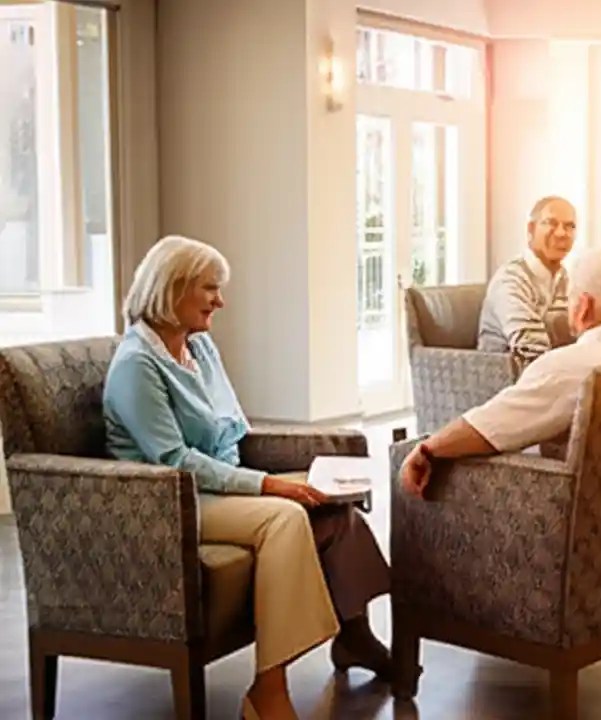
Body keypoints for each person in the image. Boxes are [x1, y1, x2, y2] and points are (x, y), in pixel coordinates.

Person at [102, 236, 393, 720]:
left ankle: (355, 636)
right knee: (281, 519)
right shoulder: (137, 364)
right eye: (210, 288)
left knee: (329, 506)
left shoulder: (200, 347)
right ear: (172, 288)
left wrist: (288, 479)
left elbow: (232, 424)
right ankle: (268, 689)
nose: (221, 300)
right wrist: (270, 486)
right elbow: (176, 460)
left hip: (218, 485)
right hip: (170, 501)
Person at [401, 243, 601, 494]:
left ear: (584, 306)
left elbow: (488, 429)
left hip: (578, 519)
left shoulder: (567, 368)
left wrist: (427, 449)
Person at [476, 195, 576, 367]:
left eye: (569, 226)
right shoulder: (511, 280)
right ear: (531, 229)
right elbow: (532, 347)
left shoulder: (565, 278)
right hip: (506, 380)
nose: (561, 233)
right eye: (551, 223)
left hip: (550, 373)